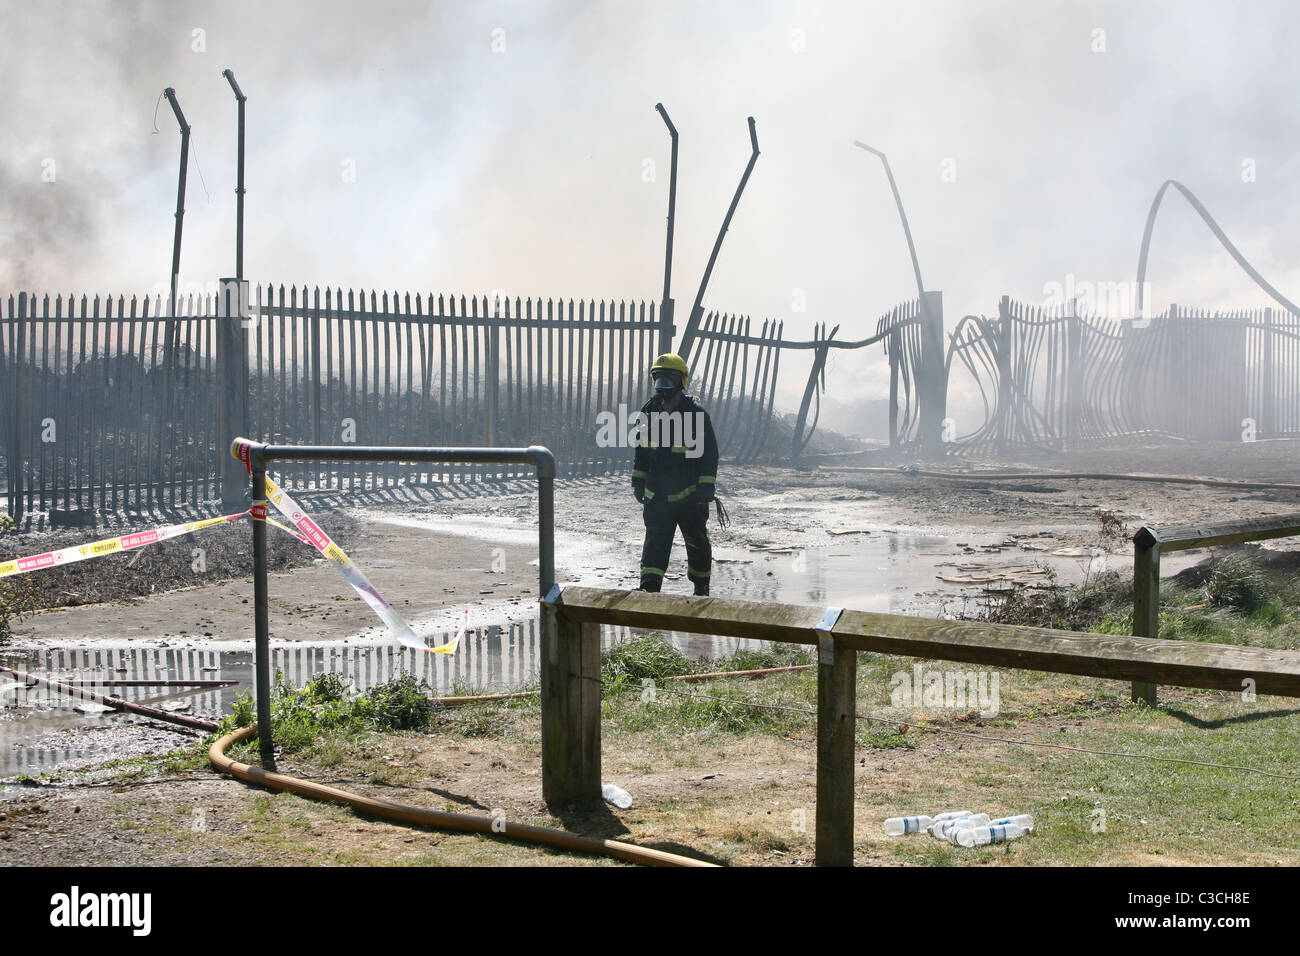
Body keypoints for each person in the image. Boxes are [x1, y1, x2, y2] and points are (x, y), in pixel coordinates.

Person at [631, 353, 718, 596]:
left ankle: (701, 589)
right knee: (655, 543)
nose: (662, 388)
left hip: (690, 497)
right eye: (659, 381)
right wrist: (638, 482)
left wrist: (705, 489)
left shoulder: (696, 415)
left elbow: (710, 455)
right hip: (657, 496)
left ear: (681, 383)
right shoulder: (648, 412)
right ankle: (649, 590)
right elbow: (642, 451)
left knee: (697, 542)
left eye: (668, 381)